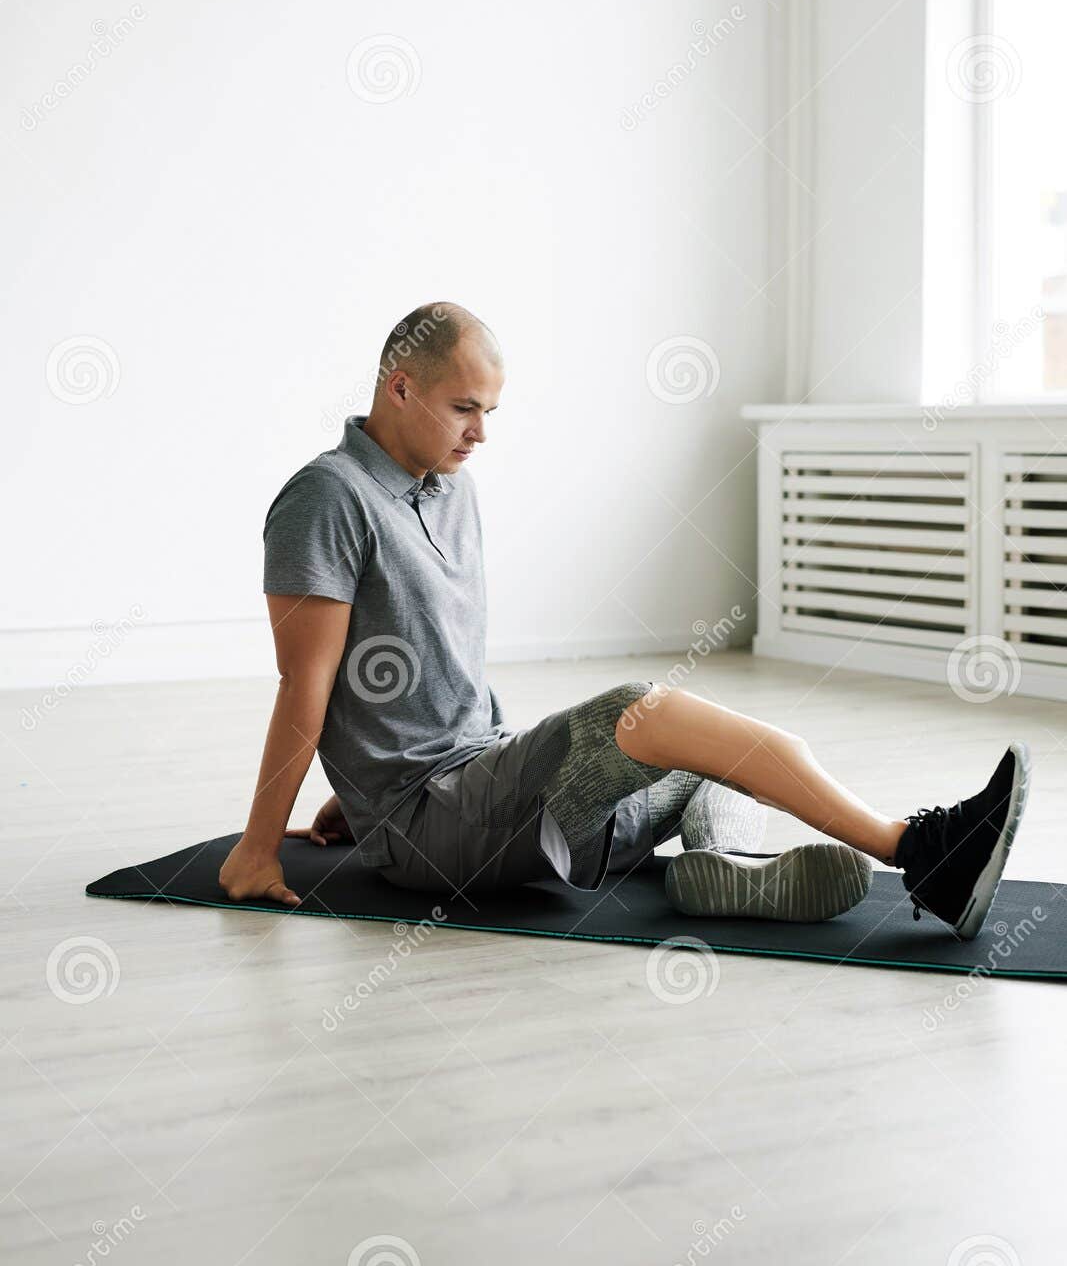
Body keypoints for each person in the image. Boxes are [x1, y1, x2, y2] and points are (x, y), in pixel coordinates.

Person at [218, 302, 1030, 940]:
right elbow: (304, 681)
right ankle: (911, 849)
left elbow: (426, 667)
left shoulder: (451, 488)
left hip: (477, 791)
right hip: (432, 823)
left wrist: (360, 787)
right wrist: (270, 843)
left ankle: (727, 869)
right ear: (399, 388)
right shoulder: (327, 498)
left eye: (490, 410)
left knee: (708, 752)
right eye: (463, 408)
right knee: (641, 711)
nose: (481, 433)